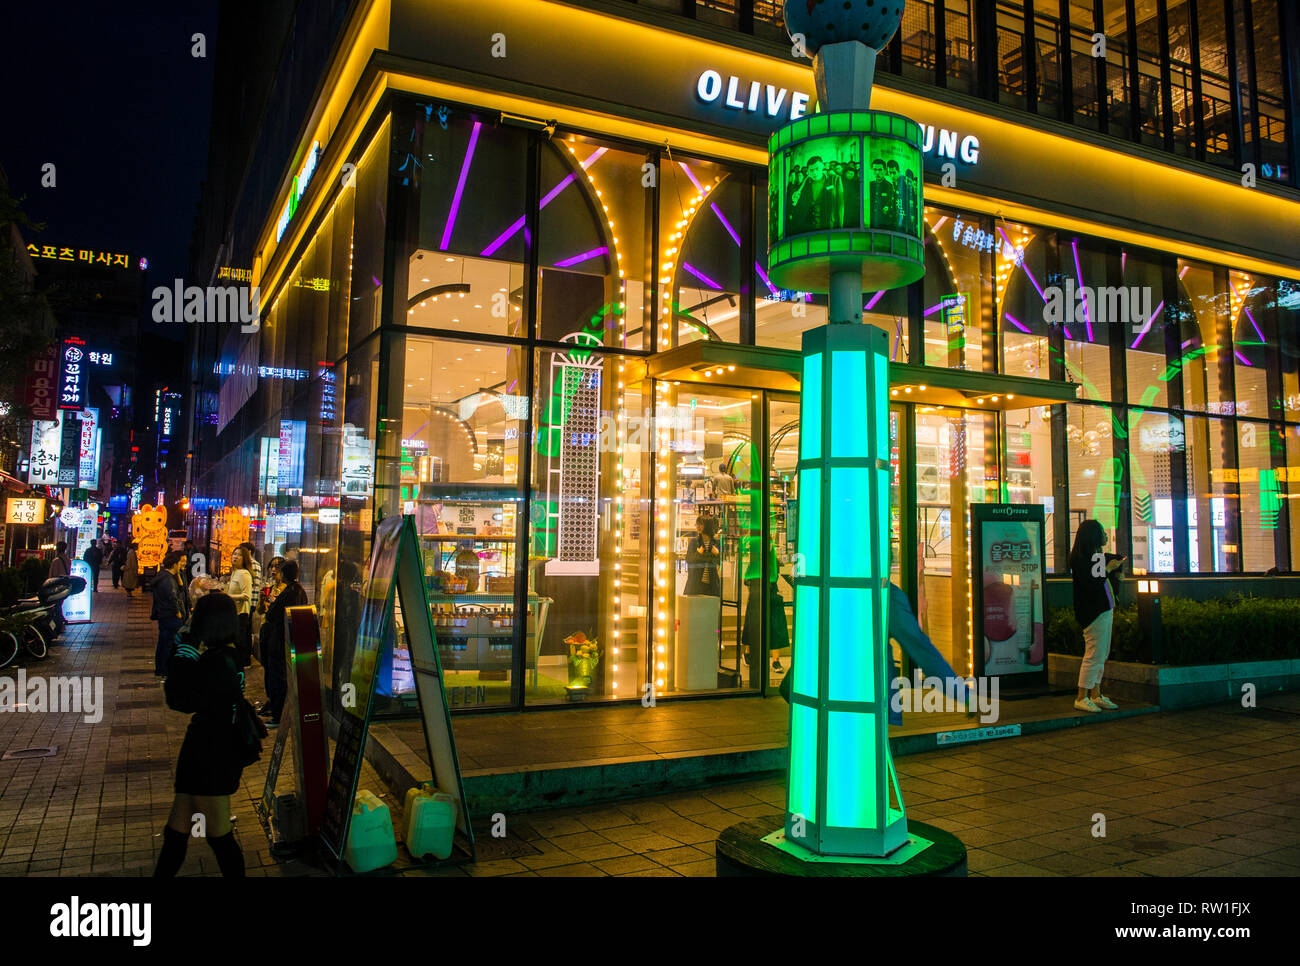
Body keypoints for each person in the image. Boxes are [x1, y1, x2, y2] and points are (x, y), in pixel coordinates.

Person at [153, 593, 248, 878]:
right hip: (207, 752)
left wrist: (185, 652)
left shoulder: (217, 662)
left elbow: (179, 698)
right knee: (177, 829)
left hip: (211, 755)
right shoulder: (229, 656)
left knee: (219, 835)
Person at [1069, 519, 1124, 713]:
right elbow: (1093, 583)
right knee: (1094, 654)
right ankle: (1081, 696)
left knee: (1101, 653)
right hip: (1094, 612)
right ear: (1093, 535)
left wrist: (1115, 572)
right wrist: (1108, 569)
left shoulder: (1096, 556)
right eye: (1101, 531)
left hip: (1104, 608)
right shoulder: (1083, 559)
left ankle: (1096, 694)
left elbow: (1103, 582)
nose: (1105, 535)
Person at [259, 559, 308, 727]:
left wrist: (271, 603)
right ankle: (278, 710)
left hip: (279, 640)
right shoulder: (299, 591)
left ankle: (278, 715)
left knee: (277, 678)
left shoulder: (289, 592)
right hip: (288, 640)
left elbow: (272, 614)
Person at [151, 550, 190, 678]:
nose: (183, 564)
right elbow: (172, 597)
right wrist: (178, 613)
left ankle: (161, 668)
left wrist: (178, 574)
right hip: (170, 616)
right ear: (174, 564)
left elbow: (180, 587)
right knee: (169, 644)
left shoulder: (165, 575)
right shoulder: (167, 579)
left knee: (164, 642)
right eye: (181, 562)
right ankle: (164, 669)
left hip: (165, 615)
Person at [789, 155, 842, 233]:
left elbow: (840, 206)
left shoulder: (835, 179)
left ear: (822, 167)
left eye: (817, 169)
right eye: (811, 170)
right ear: (808, 171)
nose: (814, 172)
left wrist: (840, 227)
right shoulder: (806, 182)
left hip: (828, 225)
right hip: (809, 227)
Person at [227, 547, 254, 669]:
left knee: (239, 645)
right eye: (234, 554)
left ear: (245, 559)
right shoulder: (234, 572)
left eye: (239, 555)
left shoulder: (244, 574)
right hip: (233, 614)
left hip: (241, 615)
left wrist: (228, 596)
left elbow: (246, 596)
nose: (235, 557)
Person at [683, 514, 722, 597]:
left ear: (708, 526)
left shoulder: (716, 543)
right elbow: (688, 559)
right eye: (697, 524)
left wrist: (717, 554)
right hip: (696, 584)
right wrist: (698, 553)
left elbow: (722, 562)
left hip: (712, 584)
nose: (698, 527)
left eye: (701, 524)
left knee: (711, 609)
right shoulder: (694, 542)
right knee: (695, 608)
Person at [48, 541, 70, 632]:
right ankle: (60, 624)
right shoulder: (68, 560)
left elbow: (52, 576)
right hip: (64, 586)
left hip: (56, 586)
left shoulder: (56, 561)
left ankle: (59, 625)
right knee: (59, 605)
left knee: (56, 606)